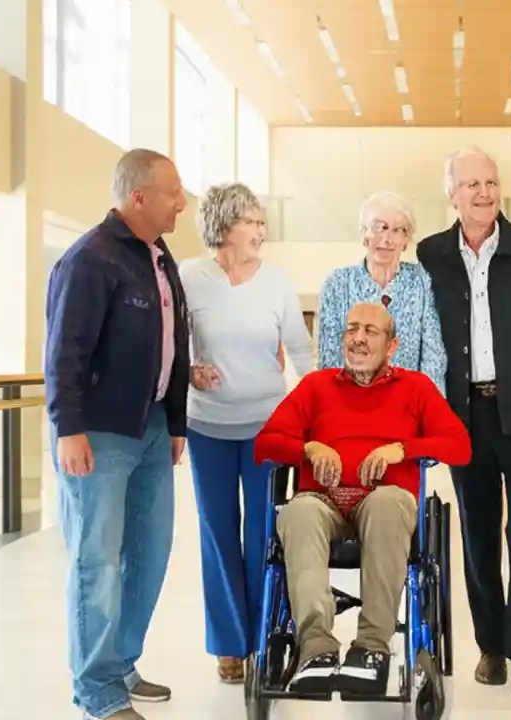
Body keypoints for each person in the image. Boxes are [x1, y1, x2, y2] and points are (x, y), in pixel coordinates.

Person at [253, 302, 472, 696]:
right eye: (352, 329)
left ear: (392, 346)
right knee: (299, 512)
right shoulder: (316, 386)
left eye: (371, 331)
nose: (358, 338)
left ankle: (371, 648)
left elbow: (460, 446)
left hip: (384, 504)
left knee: (388, 504)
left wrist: (402, 449)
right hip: (322, 502)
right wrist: (309, 448)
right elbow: (265, 443)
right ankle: (315, 649)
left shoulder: (416, 387)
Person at [415, 147, 511, 696]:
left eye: (491, 182)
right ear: (451, 194)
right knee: (477, 536)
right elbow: (423, 339)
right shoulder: (430, 255)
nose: (484, 193)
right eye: (471, 184)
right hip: (465, 417)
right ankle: (491, 646)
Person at [44, 148, 189, 720]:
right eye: (173, 193)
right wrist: (68, 428)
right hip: (99, 433)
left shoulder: (158, 256)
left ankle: (120, 662)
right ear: (139, 197)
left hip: (151, 427)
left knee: (149, 554)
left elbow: (174, 342)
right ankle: (97, 690)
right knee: (97, 561)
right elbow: (64, 351)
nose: (181, 203)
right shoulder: (91, 259)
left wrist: (173, 422)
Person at [177, 182, 314, 683]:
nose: (261, 230)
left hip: (266, 427)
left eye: (261, 221)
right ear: (224, 225)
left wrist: (321, 408)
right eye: (251, 221)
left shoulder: (276, 281)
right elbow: (172, 344)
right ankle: (229, 644)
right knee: (217, 534)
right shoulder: (189, 276)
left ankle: (264, 636)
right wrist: (190, 371)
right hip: (207, 426)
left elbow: (300, 350)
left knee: (263, 533)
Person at [316, 191, 446, 389]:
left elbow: (433, 357)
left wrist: (427, 403)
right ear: (364, 234)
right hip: (351, 401)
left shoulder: (421, 281)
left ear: (406, 239)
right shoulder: (337, 284)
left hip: (408, 400)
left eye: (397, 230)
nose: (386, 239)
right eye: (379, 228)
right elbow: (329, 360)